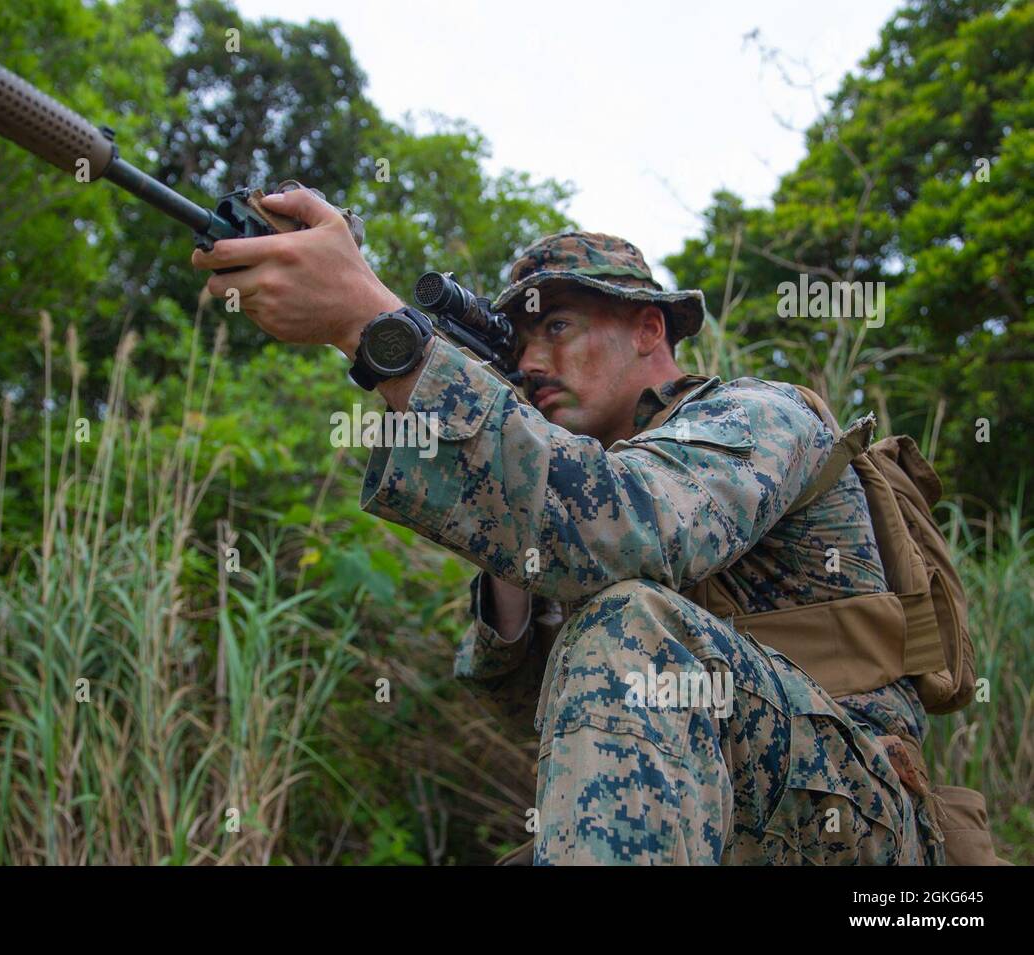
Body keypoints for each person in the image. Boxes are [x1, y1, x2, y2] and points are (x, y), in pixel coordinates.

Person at [191, 188, 946, 865]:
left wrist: (376, 327)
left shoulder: (757, 416)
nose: (534, 361)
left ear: (650, 328)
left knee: (628, 624)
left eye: (556, 326)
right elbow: (519, 699)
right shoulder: (577, 482)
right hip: (728, 808)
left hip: (854, 810)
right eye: (518, 349)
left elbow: (630, 527)